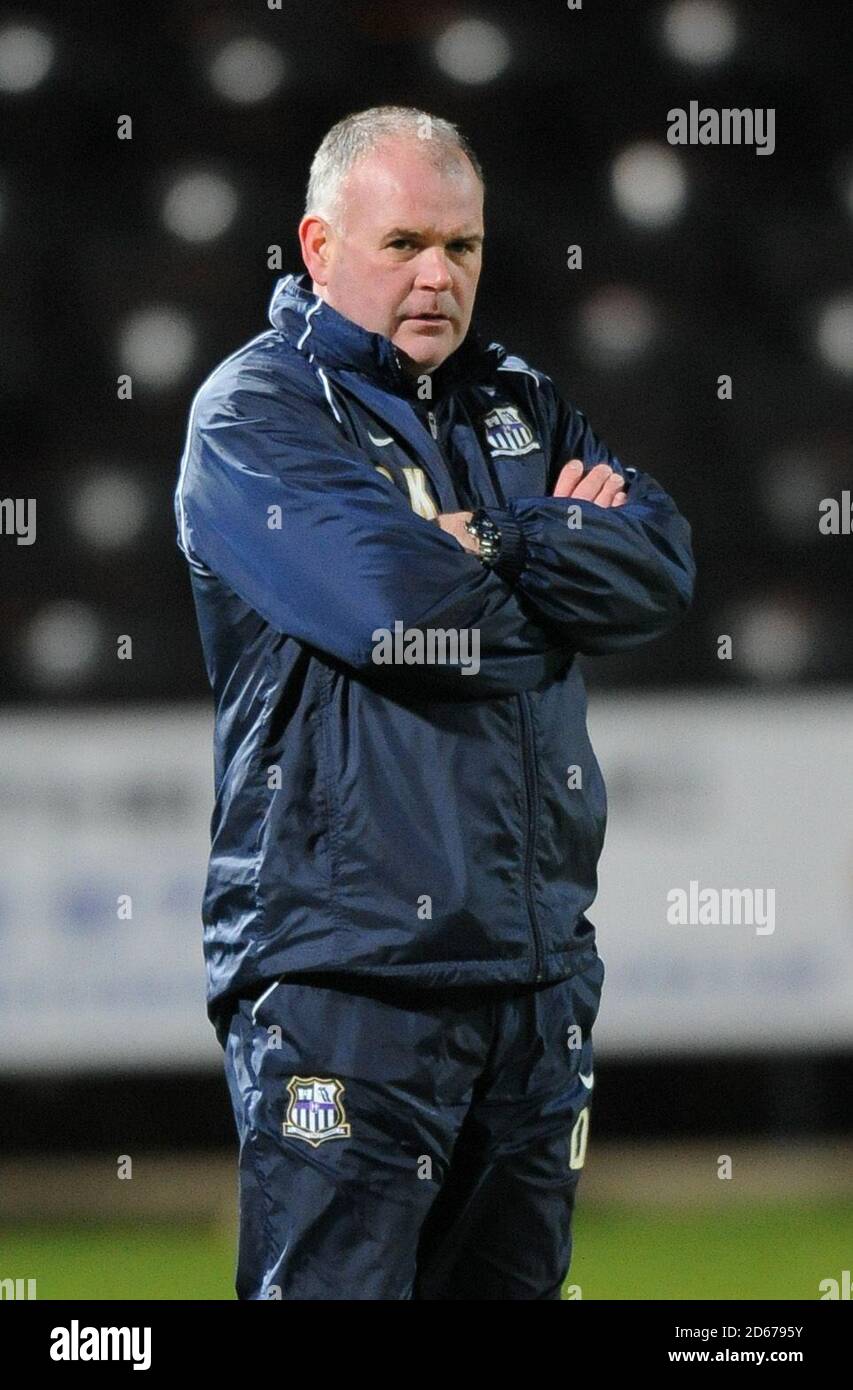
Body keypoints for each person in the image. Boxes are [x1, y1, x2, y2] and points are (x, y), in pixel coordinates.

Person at [174, 104, 695, 1300]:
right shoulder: (257, 415)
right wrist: (551, 570)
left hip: (533, 971)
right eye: (403, 242)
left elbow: (658, 569)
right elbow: (402, 620)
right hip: (348, 980)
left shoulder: (516, 395)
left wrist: (494, 536)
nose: (435, 275)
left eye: (459, 248)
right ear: (316, 246)